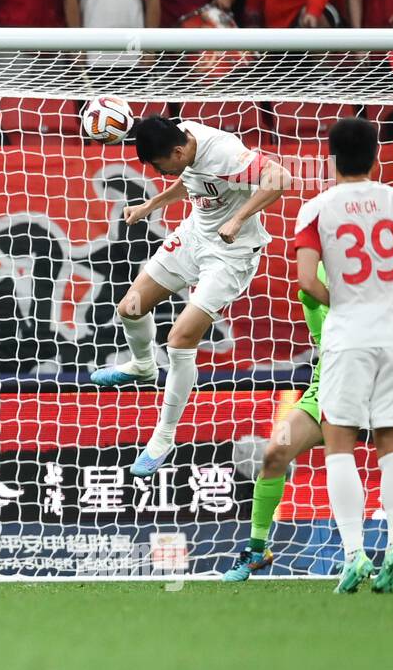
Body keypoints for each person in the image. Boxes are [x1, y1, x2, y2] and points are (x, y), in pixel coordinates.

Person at [223, 262, 393, 580]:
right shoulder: (322, 275)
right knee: (276, 453)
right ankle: (256, 549)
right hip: (332, 384)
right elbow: (315, 313)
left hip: (384, 384)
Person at [293, 116, 393, 593]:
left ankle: (355, 555)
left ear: (332, 158)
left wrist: (340, 298)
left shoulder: (316, 209)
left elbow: (305, 281)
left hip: (349, 338)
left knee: (339, 446)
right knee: (392, 446)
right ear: (377, 154)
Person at [90, 115, 292, 477]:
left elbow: (280, 178)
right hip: (194, 237)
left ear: (179, 151)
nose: (156, 171)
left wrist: (239, 218)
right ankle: (142, 366)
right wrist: (148, 207)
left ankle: (163, 437)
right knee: (130, 308)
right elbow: (191, 182)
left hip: (230, 254)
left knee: (179, 339)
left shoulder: (226, 153)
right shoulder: (184, 136)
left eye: (158, 165)